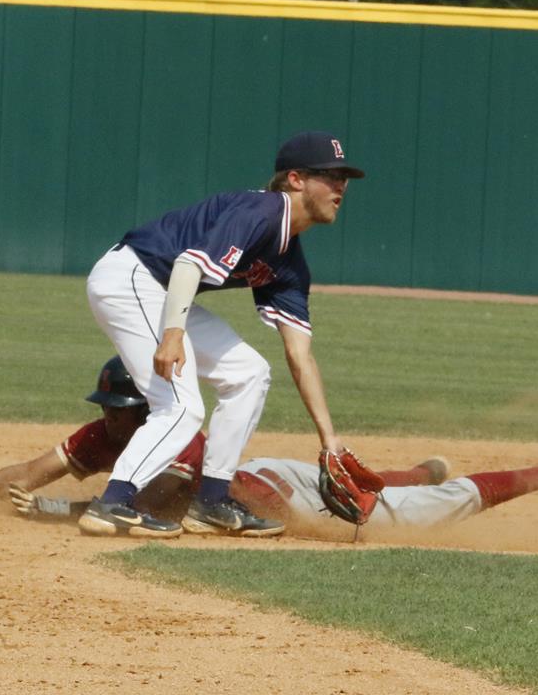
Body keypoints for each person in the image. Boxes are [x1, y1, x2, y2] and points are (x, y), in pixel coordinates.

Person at [0, 357, 538, 538]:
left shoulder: (181, 435)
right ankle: (416, 470)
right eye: (110, 412)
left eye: (123, 412)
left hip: (290, 502)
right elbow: (36, 469)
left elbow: (160, 504)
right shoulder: (113, 431)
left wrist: (57, 513)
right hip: (265, 477)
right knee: (394, 486)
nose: (111, 425)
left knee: (427, 511)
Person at [77, 130, 363, 540]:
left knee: (249, 372)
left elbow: (301, 356)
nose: (340, 187)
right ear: (296, 179)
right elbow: (188, 267)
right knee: (179, 405)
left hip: (163, 292)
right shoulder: (262, 212)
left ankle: (211, 501)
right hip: (132, 277)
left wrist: (329, 439)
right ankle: (114, 502)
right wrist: (172, 335)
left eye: (344, 178)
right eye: (330, 176)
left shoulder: (290, 264)